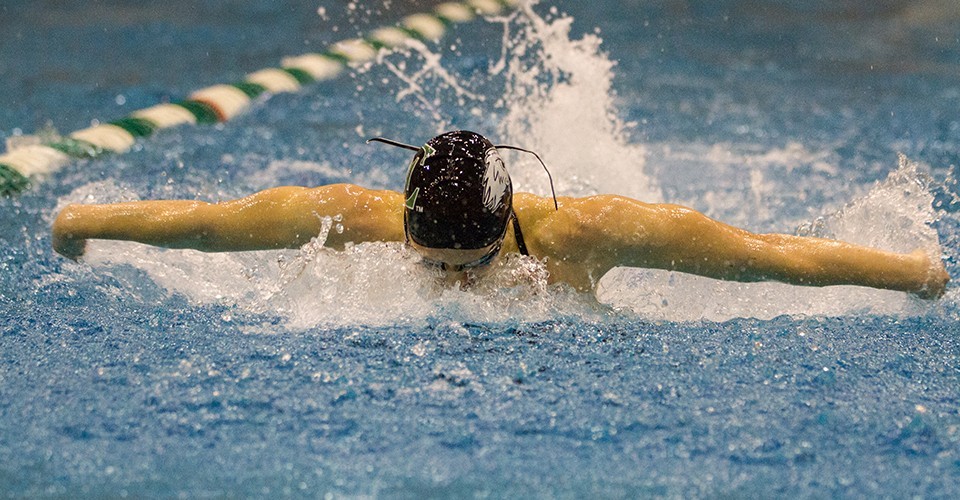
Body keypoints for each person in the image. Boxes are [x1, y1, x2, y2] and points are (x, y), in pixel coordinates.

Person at [52, 130, 950, 299]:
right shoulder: (348, 215)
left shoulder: (591, 233)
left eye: (467, 265)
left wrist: (915, 273)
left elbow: (769, 257)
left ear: (506, 229)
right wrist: (83, 221)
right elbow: (211, 222)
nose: (441, 281)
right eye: (427, 259)